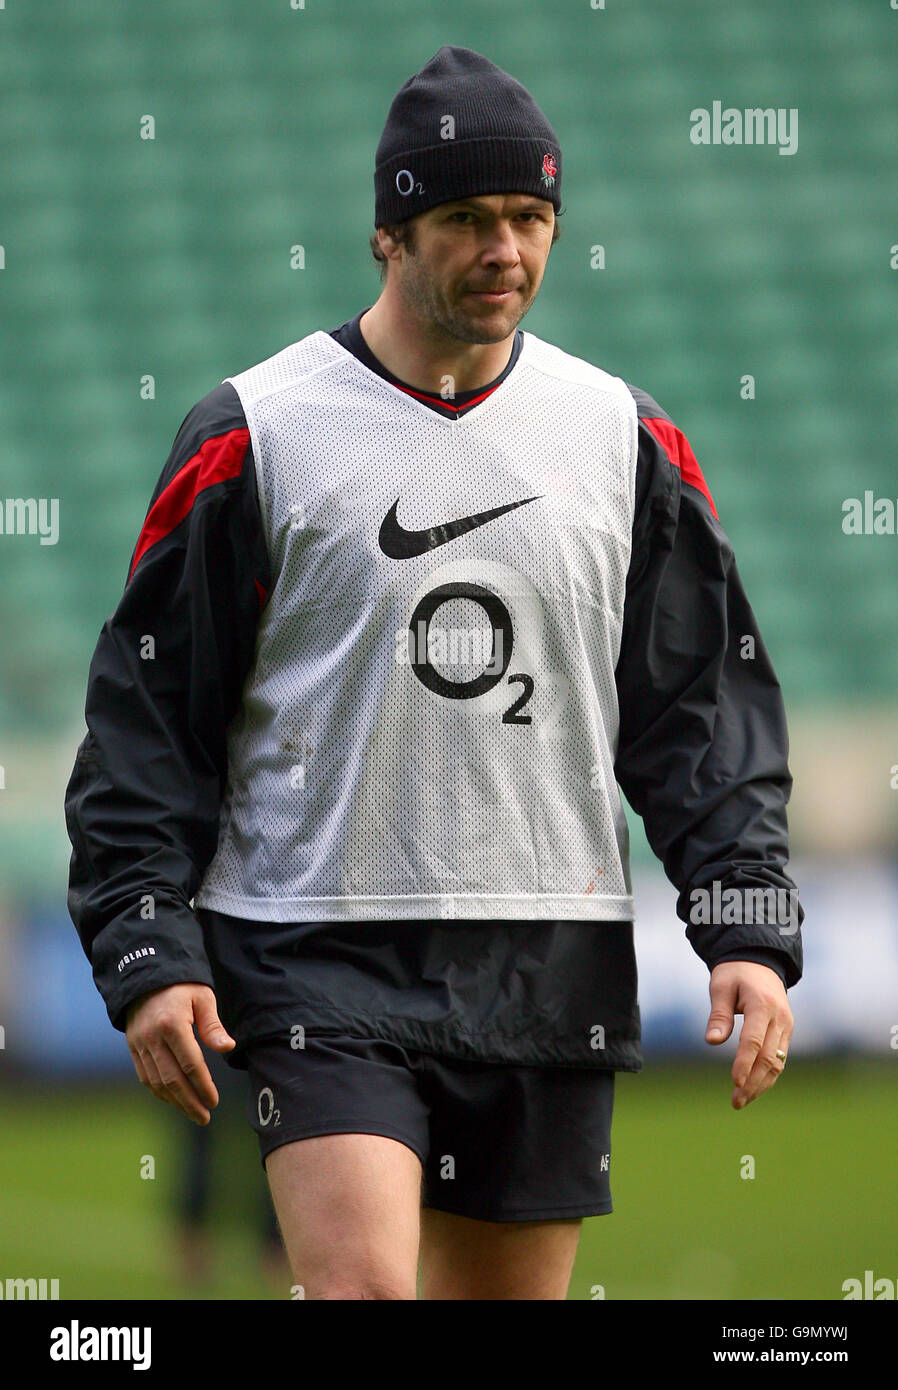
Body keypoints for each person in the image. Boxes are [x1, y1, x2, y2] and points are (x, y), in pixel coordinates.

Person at [64, 45, 803, 1301]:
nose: (505, 248)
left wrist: (742, 911)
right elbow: (148, 715)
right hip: (314, 946)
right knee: (363, 1291)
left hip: (548, 950)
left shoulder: (624, 440)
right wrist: (146, 936)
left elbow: (693, 704)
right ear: (387, 237)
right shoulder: (253, 434)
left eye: (530, 217)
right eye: (465, 219)